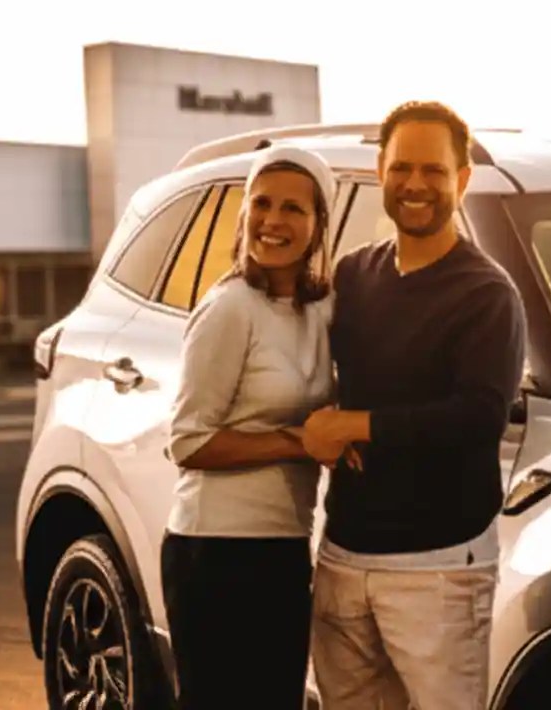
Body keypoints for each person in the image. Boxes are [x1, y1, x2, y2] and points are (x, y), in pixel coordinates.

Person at [302, 100, 527, 710]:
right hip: (343, 554)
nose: (415, 184)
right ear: (381, 170)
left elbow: (478, 416)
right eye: (402, 167)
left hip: (438, 567)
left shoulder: (487, 294)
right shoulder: (354, 274)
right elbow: (311, 367)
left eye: (433, 170)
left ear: (462, 179)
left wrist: (354, 425)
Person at [161, 144, 337, 710]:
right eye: (261, 203)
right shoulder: (230, 307)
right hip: (214, 550)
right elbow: (187, 441)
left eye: (293, 208)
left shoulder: (321, 310)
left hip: (283, 545)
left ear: (319, 224)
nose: (273, 220)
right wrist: (297, 442)